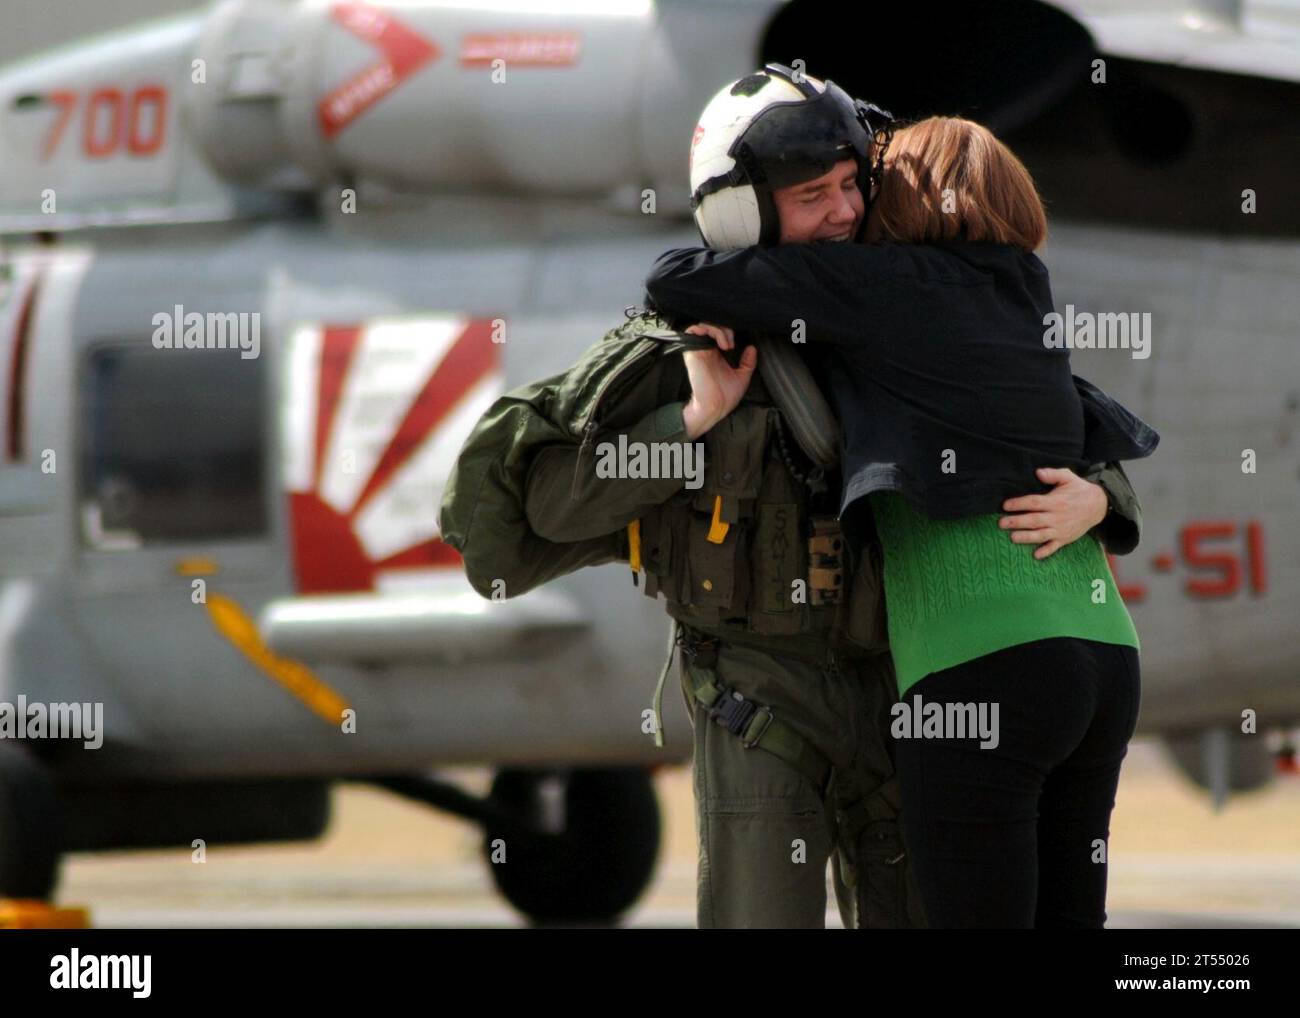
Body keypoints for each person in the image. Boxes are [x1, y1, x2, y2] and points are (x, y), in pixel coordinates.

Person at [522, 68, 1141, 929]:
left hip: (957, 671)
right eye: (821, 192)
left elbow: (678, 273)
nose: (851, 211)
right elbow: (1083, 418)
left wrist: (1104, 500)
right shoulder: (1014, 292)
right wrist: (689, 421)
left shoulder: (880, 293)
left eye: (860, 185)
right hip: (1090, 658)